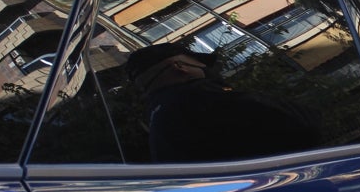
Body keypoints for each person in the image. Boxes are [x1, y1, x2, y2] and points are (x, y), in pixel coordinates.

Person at [125, 41, 320, 162]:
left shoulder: (159, 118)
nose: (206, 68)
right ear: (180, 66)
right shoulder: (199, 98)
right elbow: (301, 123)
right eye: (200, 63)